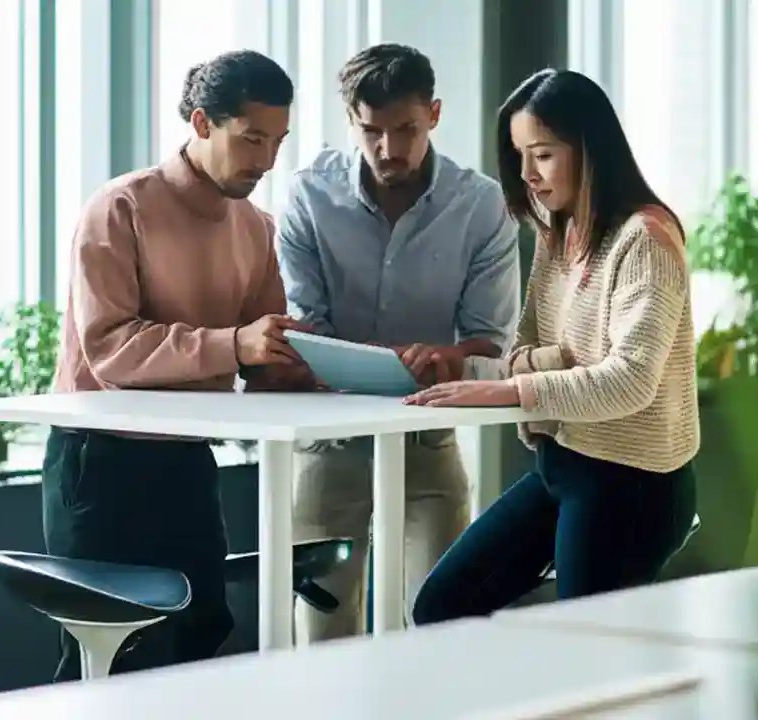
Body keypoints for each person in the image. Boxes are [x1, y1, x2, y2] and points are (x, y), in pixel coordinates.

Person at [43, 49, 309, 681]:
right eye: (251, 140)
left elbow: (260, 356)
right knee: (110, 652)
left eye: (277, 141)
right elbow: (110, 349)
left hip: (187, 459)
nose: (267, 160)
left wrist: (306, 362)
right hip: (100, 462)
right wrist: (235, 345)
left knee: (202, 631)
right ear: (200, 123)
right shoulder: (119, 210)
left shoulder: (257, 228)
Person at [406, 68, 700, 624]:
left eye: (541, 155)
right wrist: (547, 369)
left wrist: (512, 388)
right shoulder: (558, 234)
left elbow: (628, 381)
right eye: (520, 156)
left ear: (589, 149)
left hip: (632, 484)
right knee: (441, 608)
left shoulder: (646, 240)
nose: (527, 175)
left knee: (590, 658)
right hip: (563, 465)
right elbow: (528, 347)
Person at [276, 43, 520, 643]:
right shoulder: (309, 196)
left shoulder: (481, 204)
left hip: (428, 438)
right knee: (324, 630)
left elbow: (490, 338)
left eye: (406, 129)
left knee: (443, 618)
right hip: (328, 445)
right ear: (350, 122)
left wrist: (450, 357)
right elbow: (306, 325)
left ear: (434, 115)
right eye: (372, 131)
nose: (390, 149)